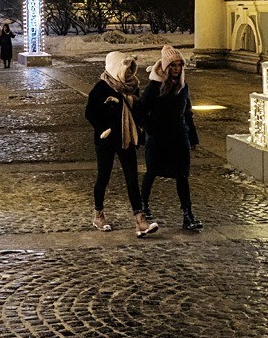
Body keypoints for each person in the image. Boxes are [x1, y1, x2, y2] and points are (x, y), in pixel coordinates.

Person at [85, 51, 159, 238]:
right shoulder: (101, 87)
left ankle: (140, 220)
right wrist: (103, 128)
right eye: (126, 69)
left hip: (126, 138)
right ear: (115, 68)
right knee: (103, 176)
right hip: (106, 139)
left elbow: (138, 112)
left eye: (131, 69)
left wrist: (144, 129)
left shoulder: (132, 87)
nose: (129, 73)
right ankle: (98, 213)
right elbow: (90, 112)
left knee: (132, 178)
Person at [140, 46, 202, 230]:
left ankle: (187, 215)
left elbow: (187, 113)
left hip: (178, 136)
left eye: (179, 65)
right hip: (159, 138)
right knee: (152, 172)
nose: (176, 69)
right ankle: (143, 207)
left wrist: (193, 137)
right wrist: (152, 131)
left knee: (182, 175)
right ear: (166, 67)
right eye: (173, 65)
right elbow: (141, 113)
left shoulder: (183, 86)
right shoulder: (154, 87)